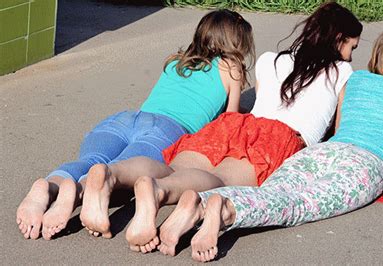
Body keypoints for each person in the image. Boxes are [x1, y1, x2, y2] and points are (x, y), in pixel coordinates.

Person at [78, 2, 362, 254]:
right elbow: (339, 130)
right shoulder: (343, 72)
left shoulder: (269, 60)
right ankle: (159, 192)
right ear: (339, 40)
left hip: (235, 125)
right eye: (352, 47)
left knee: (174, 168)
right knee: (220, 180)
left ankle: (113, 174)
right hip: (279, 138)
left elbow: (258, 107)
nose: (350, 56)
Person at [165, 28, 383, 263]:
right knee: (298, 204)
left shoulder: (357, 80)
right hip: (366, 165)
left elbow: (342, 127)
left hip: (326, 151)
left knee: (272, 191)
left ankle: (202, 203)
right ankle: (227, 210)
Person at [16, 9, 255, 240]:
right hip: (167, 130)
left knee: (90, 161)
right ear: (236, 45)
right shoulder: (230, 66)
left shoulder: (177, 62)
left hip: (128, 119)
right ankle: (78, 192)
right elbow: (229, 120)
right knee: (117, 172)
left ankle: (49, 186)